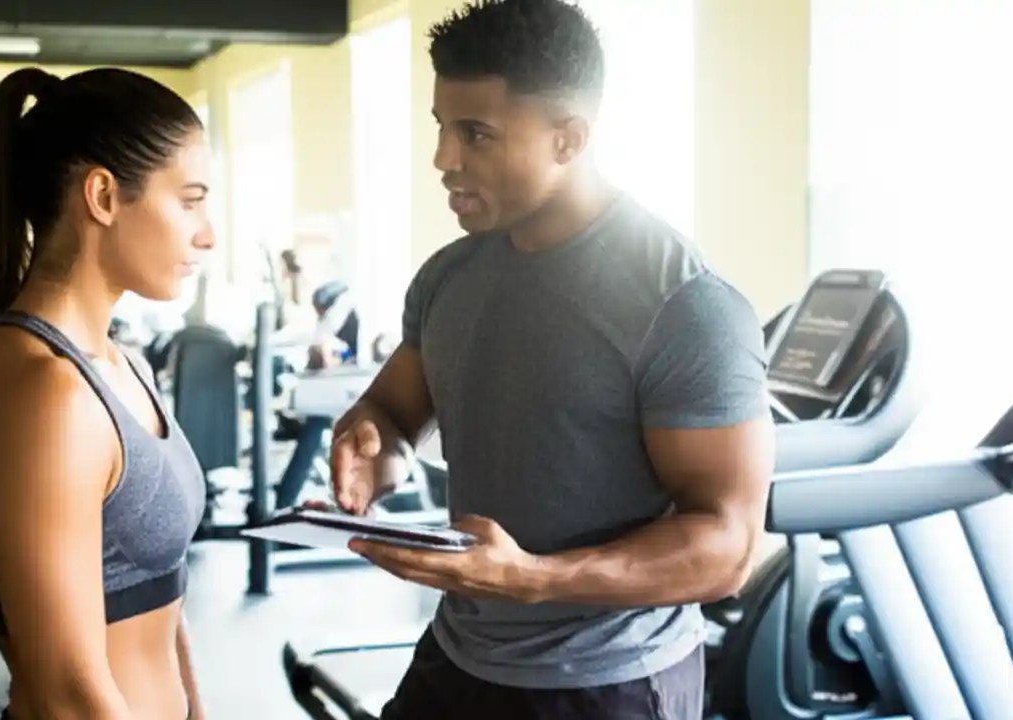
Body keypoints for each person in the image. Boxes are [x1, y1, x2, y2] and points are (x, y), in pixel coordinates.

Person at [328, 2, 776, 719]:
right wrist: (372, 446)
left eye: (477, 133)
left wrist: (532, 578)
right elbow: (392, 413)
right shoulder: (449, 276)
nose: (444, 158)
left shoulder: (685, 305)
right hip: (458, 651)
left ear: (569, 139)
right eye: (442, 127)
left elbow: (728, 548)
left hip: (608, 682)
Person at [0, 66, 215, 720]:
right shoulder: (44, 393)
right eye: (191, 200)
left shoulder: (121, 364)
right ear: (103, 196)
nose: (207, 234)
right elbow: (65, 695)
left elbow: (164, 607)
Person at [274, 281, 362, 510]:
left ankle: (284, 500)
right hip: (328, 398)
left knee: (316, 446)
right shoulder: (331, 329)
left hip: (338, 395)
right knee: (313, 444)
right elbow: (321, 354)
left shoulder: (346, 320)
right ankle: (284, 500)